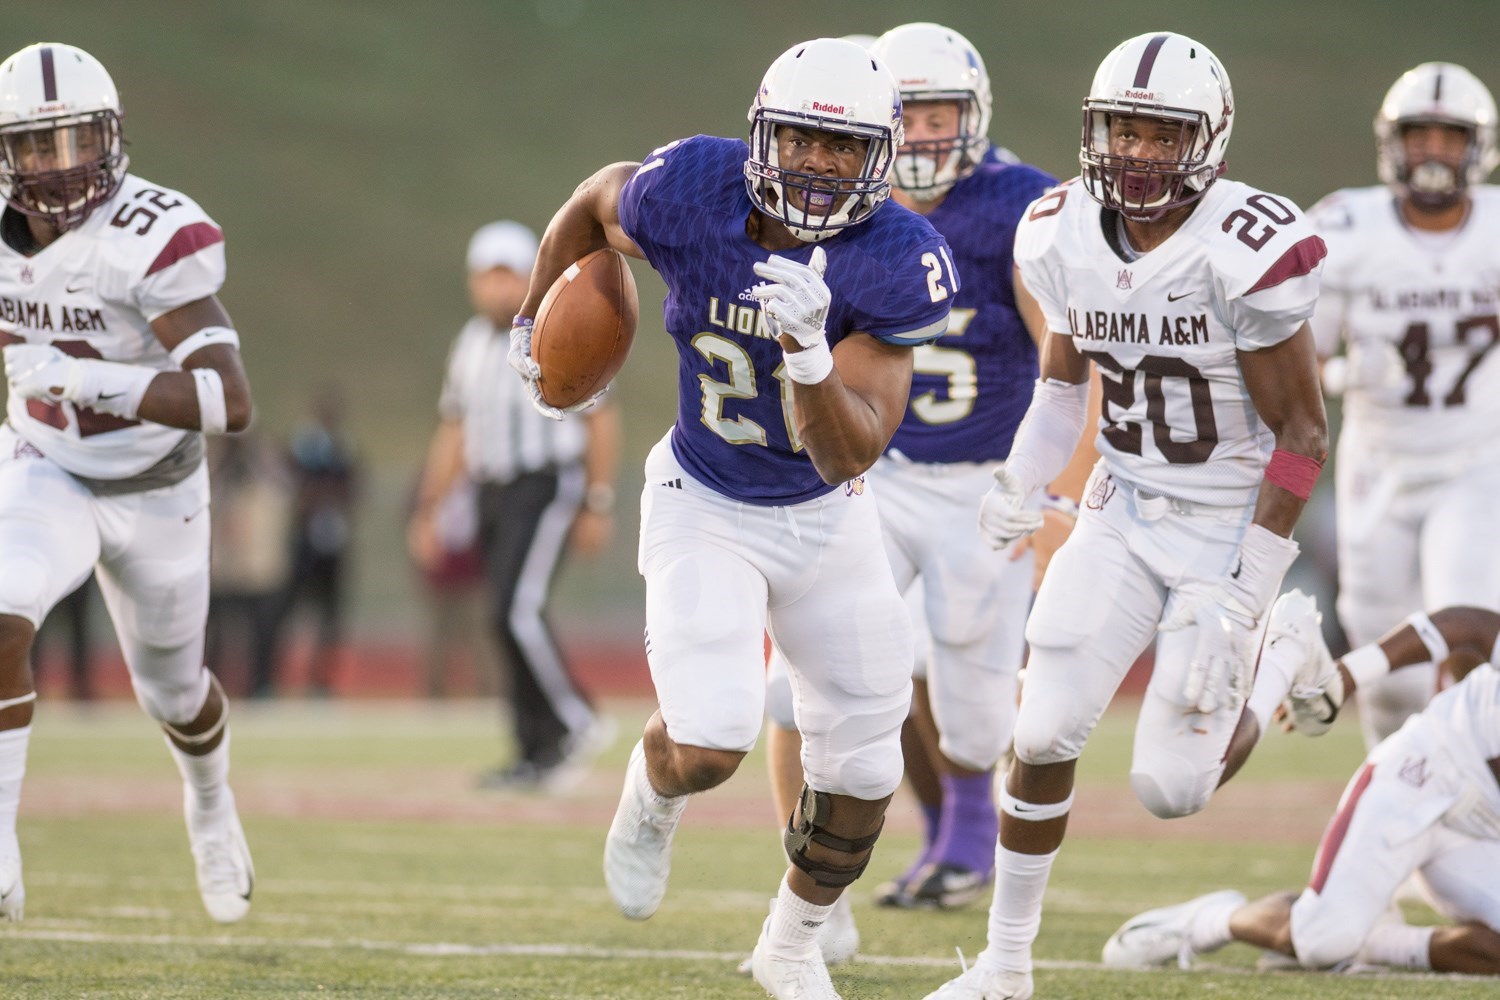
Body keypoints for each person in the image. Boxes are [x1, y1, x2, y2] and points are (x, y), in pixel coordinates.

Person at [507, 38, 954, 1000]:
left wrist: (810, 353)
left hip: (826, 515)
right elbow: (594, 200)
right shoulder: (689, 190)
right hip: (704, 499)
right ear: (763, 136)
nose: (819, 164)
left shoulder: (896, 259)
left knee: (864, 767)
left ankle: (789, 945)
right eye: (801, 140)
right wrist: (537, 317)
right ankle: (651, 793)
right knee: (709, 743)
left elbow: (847, 455)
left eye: (845, 147)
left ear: (879, 157)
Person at [924, 32, 1332, 1000]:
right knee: (1042, 733)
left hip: (1227, 521)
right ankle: (1006, 966)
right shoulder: (1059, 230)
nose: (1138, 153)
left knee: (1172, 788)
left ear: (1208, 140)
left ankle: (1283, 651)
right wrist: (1021, 481)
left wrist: (1246, 594)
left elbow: (1304, 433)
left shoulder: (1245, 250)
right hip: (1123, 504)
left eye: (1161, 134)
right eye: (1123, 130)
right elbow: (1063, 388)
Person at [756, 23, 1069, 947]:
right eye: (910, 115)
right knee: (794, 685)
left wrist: (1051, 489)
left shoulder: (1021, 204)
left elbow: (1066, 359)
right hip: (875, 474)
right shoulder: (833, 200)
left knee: (973, 722)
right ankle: (810, 894)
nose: (926, 135)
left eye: (942, 115)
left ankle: (964, 839)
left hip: (985, 482)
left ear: (975, 116)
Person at [0, 42, 254, 922]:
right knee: (3, 602)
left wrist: (85, 379)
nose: (59, 164)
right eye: (36, 145)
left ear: (110, 138)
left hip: (157, 484)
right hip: (48, 466)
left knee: (173, 694)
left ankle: (211, 806)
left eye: (75, 139)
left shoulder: (148, 237)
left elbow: (229, 402)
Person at [1102, 591, 1500, 976]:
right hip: (1425, 774)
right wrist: (1347, 676)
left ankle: (1375, 940)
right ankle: (1208, 922)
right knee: (1321, 940)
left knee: (1337, 937)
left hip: (1485, 829)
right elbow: (1468, 626)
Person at [1308, 62, 1500, 751]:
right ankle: (1400, 791)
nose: (1433, 152)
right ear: (1393, 141)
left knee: (1472, 636)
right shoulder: (1346, 225)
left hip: (1475, 463)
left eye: (1450, 137)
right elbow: (1294, 358)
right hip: (1379, 465)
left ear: (1478, 147)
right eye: (1420, 135)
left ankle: (1481, 792)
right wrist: (1341, 371)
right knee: (1387, 671)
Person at [408, 220, 620, 790]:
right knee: (501, 615)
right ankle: (535, 747)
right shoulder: (469, 344)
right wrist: (430, 506)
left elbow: (601, 418)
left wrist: (598, 501)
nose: (497, 288)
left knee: (516, 609)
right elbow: (454, 429)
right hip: (492, 489)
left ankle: (575, 720)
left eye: (508, 275)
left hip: (545, 482)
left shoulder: (559, 328)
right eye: (488, 276)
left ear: (531, 275)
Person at [269, 389, 359, 696]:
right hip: (305, 543)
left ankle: (321, 681)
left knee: (330, 618)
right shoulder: (304, 445)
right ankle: (272, 678)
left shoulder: (343, 447)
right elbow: (294, 487)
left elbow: (352, 489)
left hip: (333, 544)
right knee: (288, 611)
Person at [205, 429, 293, 697]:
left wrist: (254, 452)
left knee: (263, 633)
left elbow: (284, 489)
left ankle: (261, 686)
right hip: (222, 568)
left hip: (258, 569)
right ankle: (211, 686)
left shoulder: (264, 468)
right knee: (214, 635)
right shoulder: (216, 469)